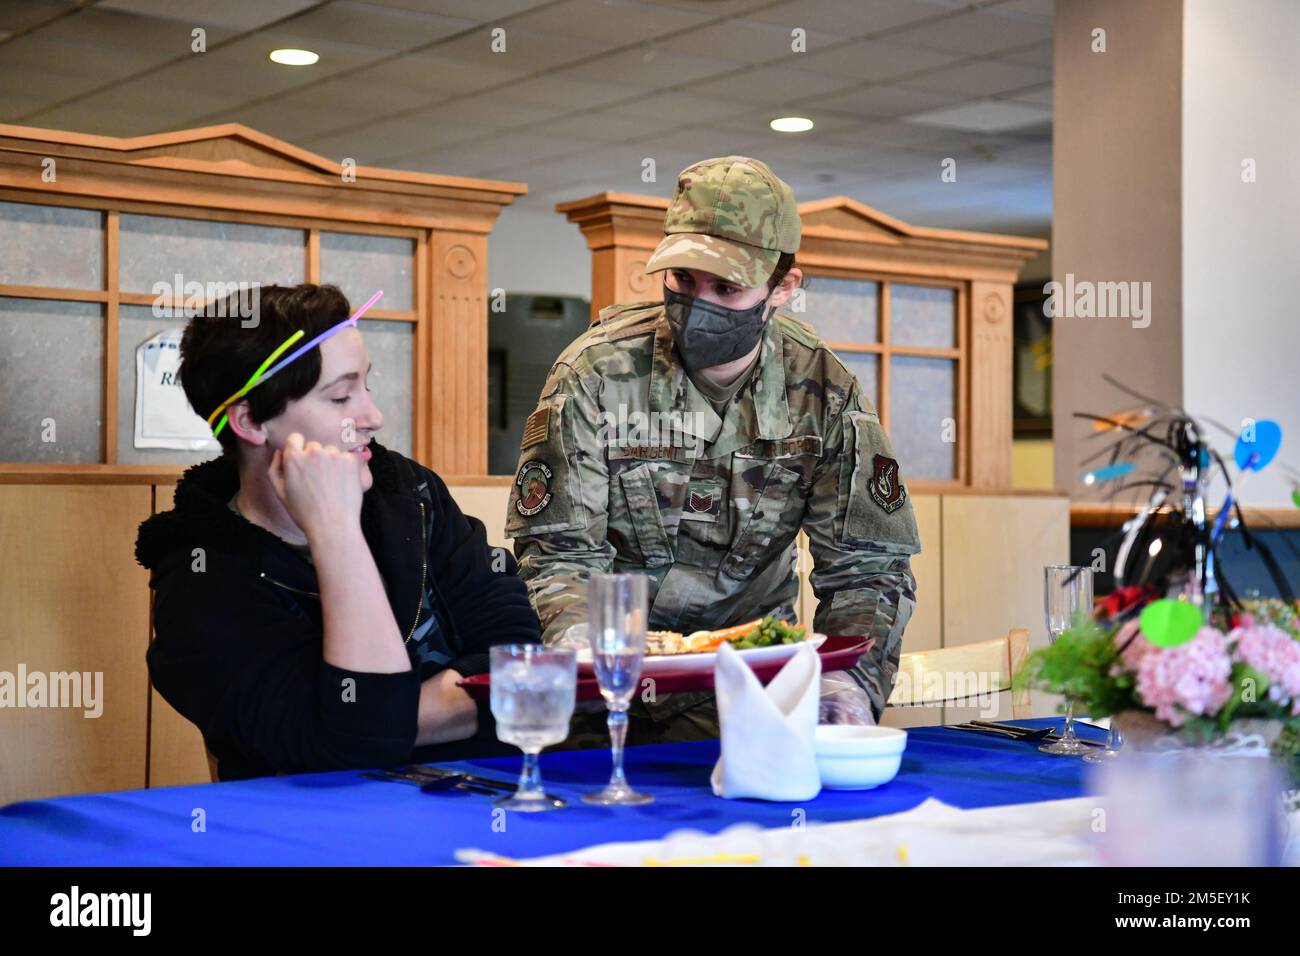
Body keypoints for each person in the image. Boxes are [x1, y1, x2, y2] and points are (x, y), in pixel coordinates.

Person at [506, 156, 922, 744]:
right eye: (682, 281)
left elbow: (866, 567)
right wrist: (587, 655)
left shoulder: (825, 391)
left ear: (782, 288)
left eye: (727, 288)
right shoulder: (596, 373)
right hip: (606, 698)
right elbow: (560, 553)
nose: (698, 304)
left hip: (748, 689)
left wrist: (846, 680)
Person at [136, 283, 540, 780]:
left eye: (367, 386)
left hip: (494, 801)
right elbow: (355, 747)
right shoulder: (201, 579)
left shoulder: (412, 495)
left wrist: (380, 721)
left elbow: (524, 662)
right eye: (341, 396)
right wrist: (335, 531)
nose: (373, 417)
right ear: (250, 421)